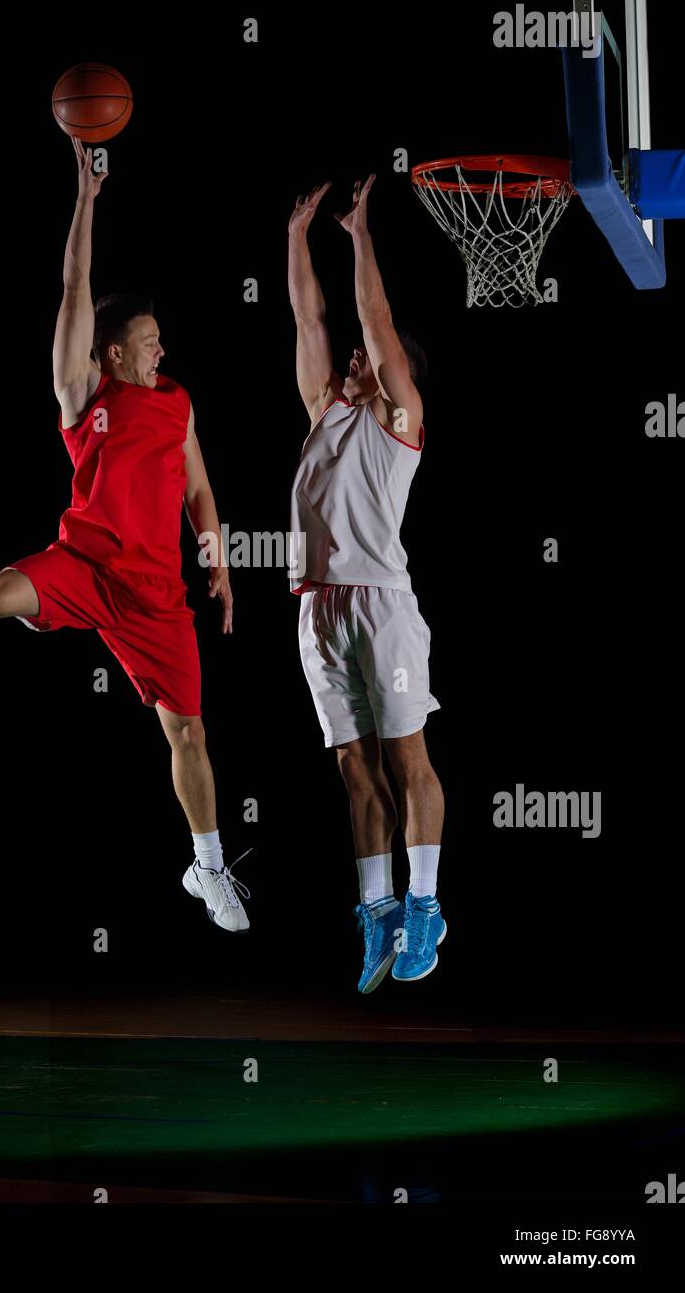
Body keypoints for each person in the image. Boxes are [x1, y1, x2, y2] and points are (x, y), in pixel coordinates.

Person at [0, 137, 251, 933]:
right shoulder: (84, 393)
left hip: (154, 594)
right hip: (81, 563)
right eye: (150, 341)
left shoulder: (176, 402)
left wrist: (217, 564)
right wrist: (87, 199)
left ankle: (206, 867)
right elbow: (74, 283)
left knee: (187, 732)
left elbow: (203, 489)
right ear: (115, 352)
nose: (161, 348)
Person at [288, 174, 445, 985]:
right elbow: (309, 317)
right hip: (315, 608)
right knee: (352, 771)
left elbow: (370, 321)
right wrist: (294, 235)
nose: (355, 355)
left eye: (369, 358)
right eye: (354, 357)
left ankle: (424, 906)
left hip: (381, 605)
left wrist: (357, 235)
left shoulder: (398, 422)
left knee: (404, 757)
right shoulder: (325, 412)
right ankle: (377, 911)